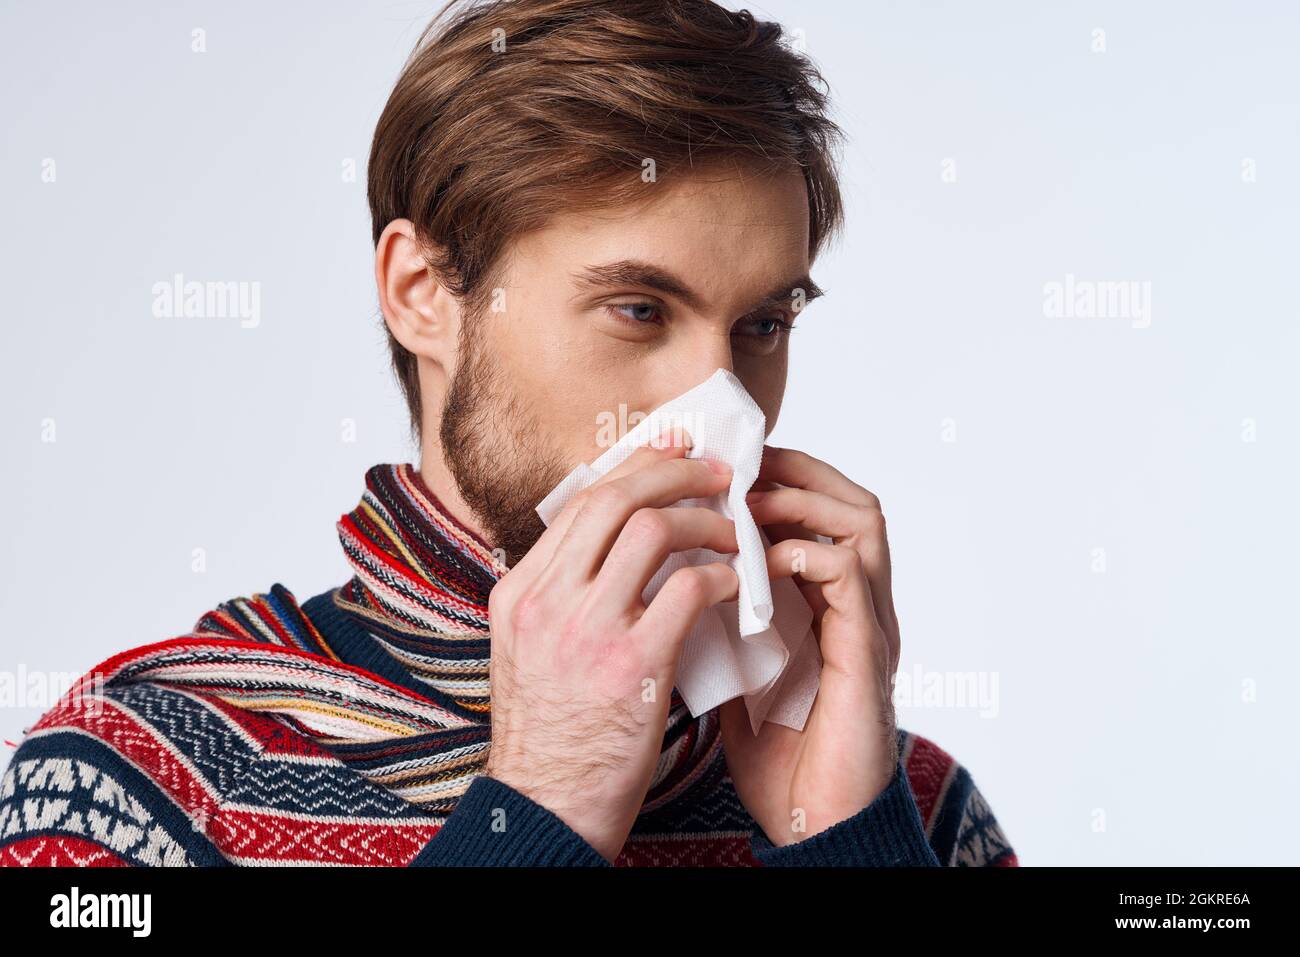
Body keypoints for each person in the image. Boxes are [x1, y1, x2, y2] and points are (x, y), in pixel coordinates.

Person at [0, 0, 1016, 867]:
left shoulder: (905, 800)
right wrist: (540, 811)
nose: (719, 407)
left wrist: (844, 840)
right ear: (422, 294)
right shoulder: (135, 781)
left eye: (761, 325)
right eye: (637, 309)